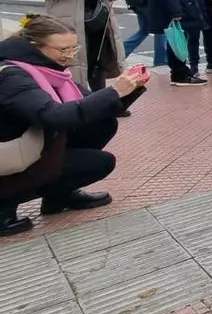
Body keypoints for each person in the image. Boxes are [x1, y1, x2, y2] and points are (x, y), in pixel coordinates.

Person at [0, 15, 147, 236]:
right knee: (100, 163)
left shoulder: (48, 67)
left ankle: (58, 197)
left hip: (36, 141)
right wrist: (114, 91)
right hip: (9, 153)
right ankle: (4, 204)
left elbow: (88, 104)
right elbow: (52, 116)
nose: (69, 55)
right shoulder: (12, 75)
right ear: (34, 46)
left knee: (102, 124)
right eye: (62, 50)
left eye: (73, 48)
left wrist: (130, 89)